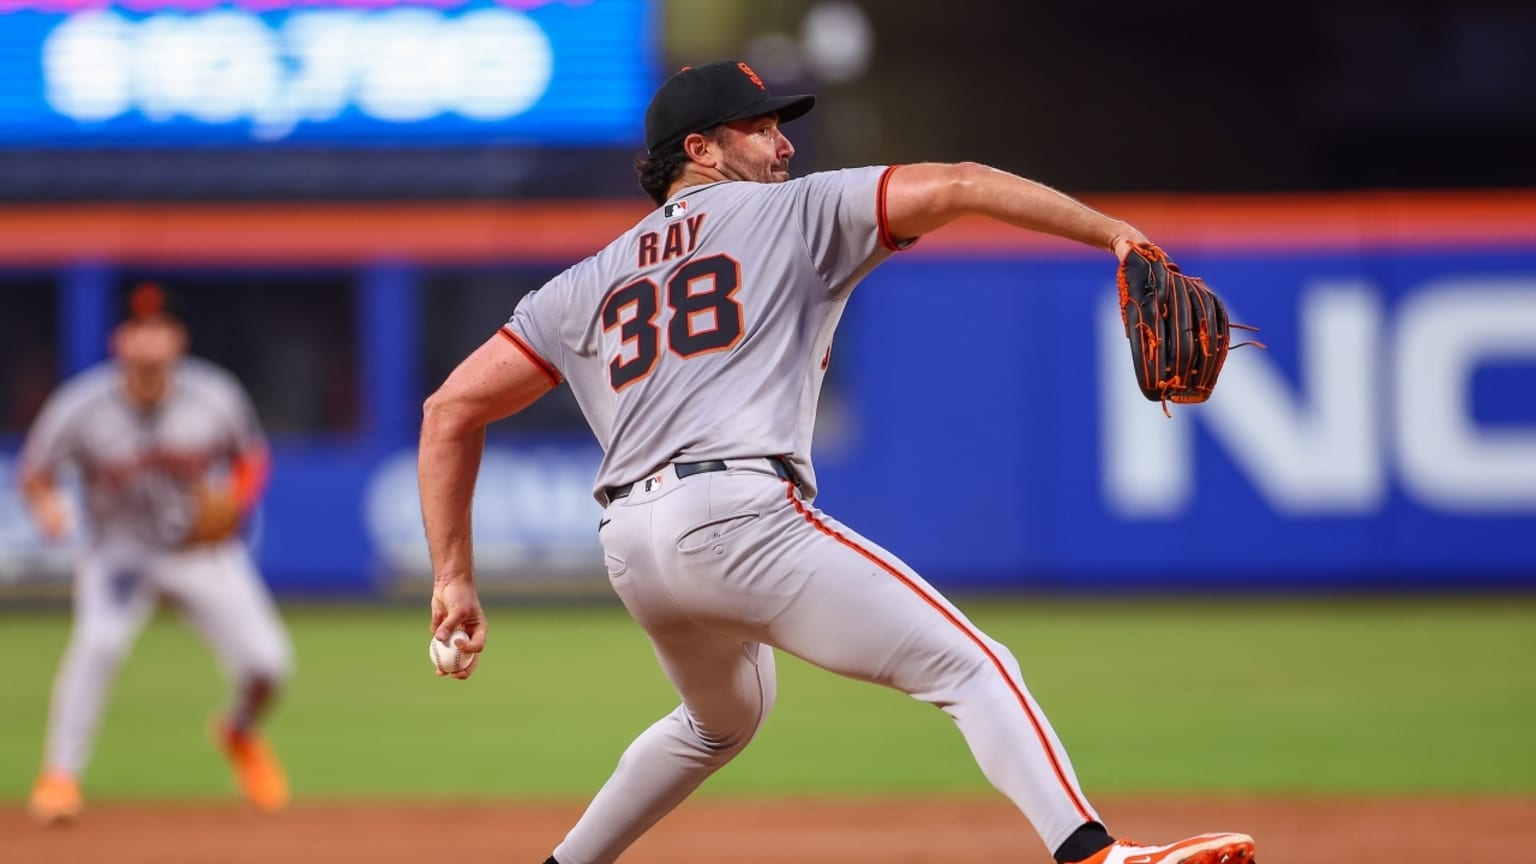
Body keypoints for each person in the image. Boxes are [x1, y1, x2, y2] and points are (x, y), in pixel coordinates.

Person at [418, 60, 1258, 864]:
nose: (782, 144)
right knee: (972, 665)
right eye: (759, 128)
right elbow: (963, 181)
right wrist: (1116, 234)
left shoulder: (584, 282)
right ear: (701, 151)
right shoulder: (796, 211)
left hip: (632, 547)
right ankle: (1096, 854)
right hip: (737, 518)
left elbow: (449, 409)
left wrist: (453, 576)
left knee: (721, 721)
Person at [20, 283, 292, 825]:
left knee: (269, 663)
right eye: (138, 328)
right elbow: (36, 471)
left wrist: (237, 501)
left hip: (199, 550)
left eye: (160, 327)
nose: (149, 339)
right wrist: (48, 507)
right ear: (118, 339)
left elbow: (252, 458)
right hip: (119, 555)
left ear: (178, 338)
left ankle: (238, 731)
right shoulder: (80, 405)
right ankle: (59, 775)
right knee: (95, 647)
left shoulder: (216, 393)